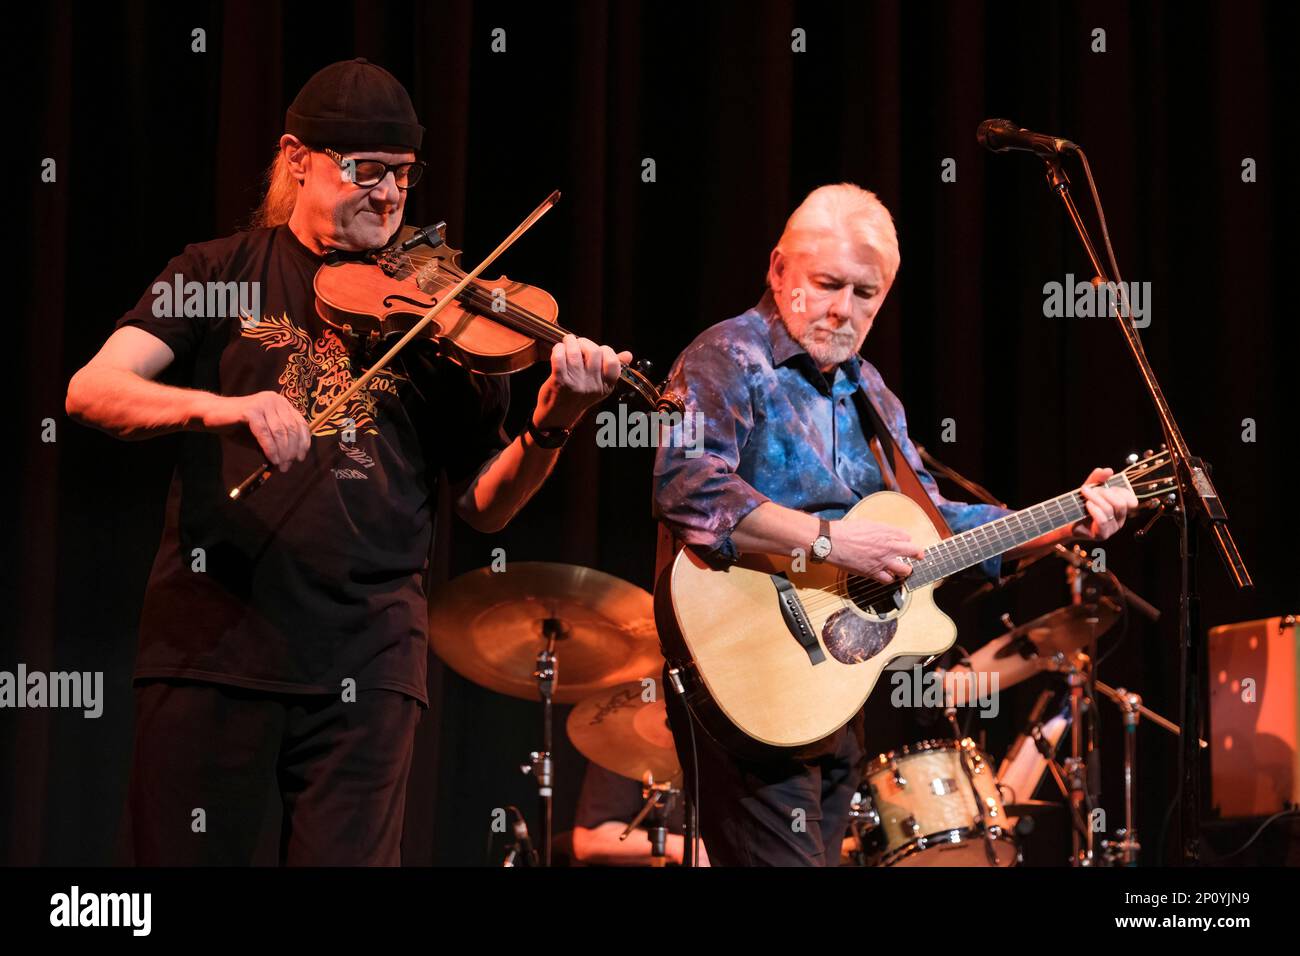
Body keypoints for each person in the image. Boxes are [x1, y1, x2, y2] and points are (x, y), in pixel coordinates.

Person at [64, 58, 630, 866]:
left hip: (369, 660)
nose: (391, 196)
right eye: (367, 171)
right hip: (212, 645)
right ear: (298, 159)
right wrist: (225, 407)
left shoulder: (445, 312)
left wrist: (554, 424)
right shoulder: (218, 272)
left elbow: (483, 505)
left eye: (404, 175)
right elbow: (93, 389)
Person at [651, 183, 1138, 866]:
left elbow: (936, 525)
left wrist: (1066, 520)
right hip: (745, 681)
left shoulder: (870, 391)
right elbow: (687, 485)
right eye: (826, 284)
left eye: (866, 294)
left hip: (830, 694)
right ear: (778, 268)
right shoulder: (727, 356)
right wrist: (830, 541)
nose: (844, 310)